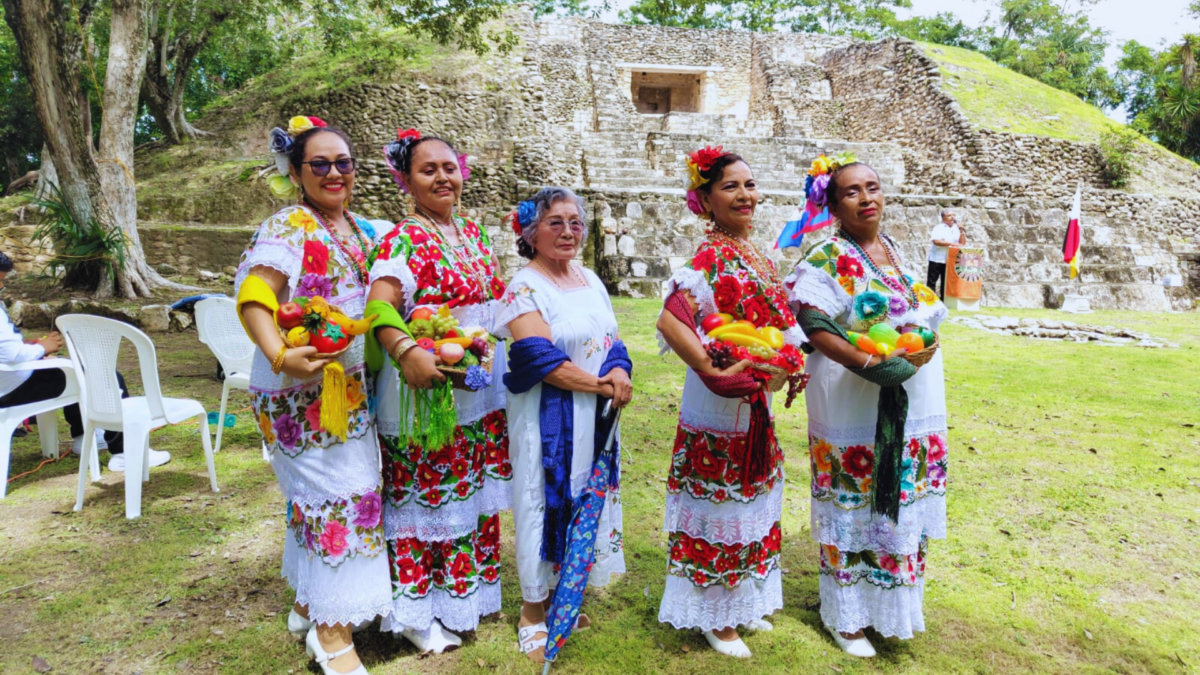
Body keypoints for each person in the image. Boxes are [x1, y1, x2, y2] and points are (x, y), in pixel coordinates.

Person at [235, 116, 388, 675]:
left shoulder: (365, 231)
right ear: (296, 173)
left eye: (342, 163)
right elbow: (257, 293)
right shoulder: (290, 227)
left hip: (350, 387)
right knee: (341, 495)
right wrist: (280, 353)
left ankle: (307, 603)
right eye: (318, 164)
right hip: (294, 389)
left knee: (327, 494)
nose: (333, 173)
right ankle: (331, 634)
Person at [784, 160, 948, 657]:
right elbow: (811, 321)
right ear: (833, 206)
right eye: (851, 192)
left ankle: (888, 607)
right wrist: (866, 361)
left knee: (899, 494)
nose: (865, 198)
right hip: (852, 403)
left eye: (872, 188)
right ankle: (847, 618)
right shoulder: (826, 257)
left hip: (910, 393)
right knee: (852, 502)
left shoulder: (893, 250)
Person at [655, 147, 805, 658]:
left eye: (749, 184)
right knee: (719, 497)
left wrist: (783, 362)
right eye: (730, 187)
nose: (745, 195)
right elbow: (671, 319)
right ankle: (713, 616)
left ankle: (740, 598)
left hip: (754, 401)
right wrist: (712, 369)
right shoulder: (711, 255)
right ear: (705, 199)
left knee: (751, 495)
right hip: (720, 406)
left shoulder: (755, 252)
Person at [367, 129, 511, 653]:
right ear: (406, 180)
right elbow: (380, 308)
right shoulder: (402, 239)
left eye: (449, 167)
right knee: (424, 496)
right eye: (428, 170)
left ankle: (458, 598)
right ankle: (414, 613)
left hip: (476, 384)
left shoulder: (471, 234)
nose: (443, 178)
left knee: (468, 495)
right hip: (424, 388)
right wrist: (407, 351)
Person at [494, 187, 632, 663]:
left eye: (576, 222)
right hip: (546, 418)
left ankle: (563, 593)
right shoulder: (524, 288)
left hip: (594, 416)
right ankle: (533, 610)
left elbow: (611, 338)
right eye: (555, 222)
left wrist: (619, 369)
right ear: (531, 232)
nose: (569, 231)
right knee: (540, 500)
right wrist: (600, 386)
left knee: (582, 499)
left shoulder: (588, 277)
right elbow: (540, 358)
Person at [0, 252, 168, 471]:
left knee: (73, 371)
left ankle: (82, 437)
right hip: (13, 387)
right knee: (103, 375)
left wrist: (27, 345)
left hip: (10, 380)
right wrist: (42, 347)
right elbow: (13, 355)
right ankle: (125, 451)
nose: (1, 287)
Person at [926, 210, 964, 300]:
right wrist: (951, 244)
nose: (952, 217)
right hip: (937, 259)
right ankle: (929, 301)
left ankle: (944, 301)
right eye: (949, 215)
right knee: (932, 281)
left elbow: (962, 243)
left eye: (953, 215)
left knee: (946, 282)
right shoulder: (938, 228)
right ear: (943, 218)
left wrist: (961, 231)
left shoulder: (956, 228)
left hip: (950, 259)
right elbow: (936, 241)